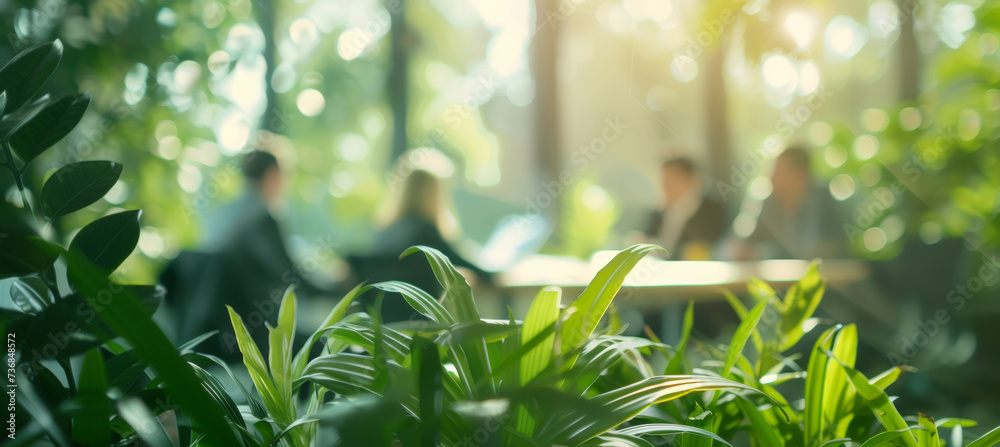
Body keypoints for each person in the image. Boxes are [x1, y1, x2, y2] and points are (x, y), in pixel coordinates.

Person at [161, 150, 328, 358]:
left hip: (203, 335)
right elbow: (291, 277)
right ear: (272, 175)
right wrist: (339, 287)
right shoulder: (261, 219)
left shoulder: (222, 215)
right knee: (330, 349)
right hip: (246, 338)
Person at [348, 169, 488, 322]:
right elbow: (479, 271)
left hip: (381, 335)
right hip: (422, 331)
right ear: (435, 196)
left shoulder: (384, 233)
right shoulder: (426, 232)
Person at [736, 146, 845, 260]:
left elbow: (822, 250)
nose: (771, 177)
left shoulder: (823, 201)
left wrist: (765, 253)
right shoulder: (768, 203)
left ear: (800, 175)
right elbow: (744, 244)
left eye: (779, 171)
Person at [642, 157, 727, 259]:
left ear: (689, 180)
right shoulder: (658, 213)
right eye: (663, 181)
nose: (665, 186)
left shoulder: (712, 210)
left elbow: (706, 249)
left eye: (671, 180)